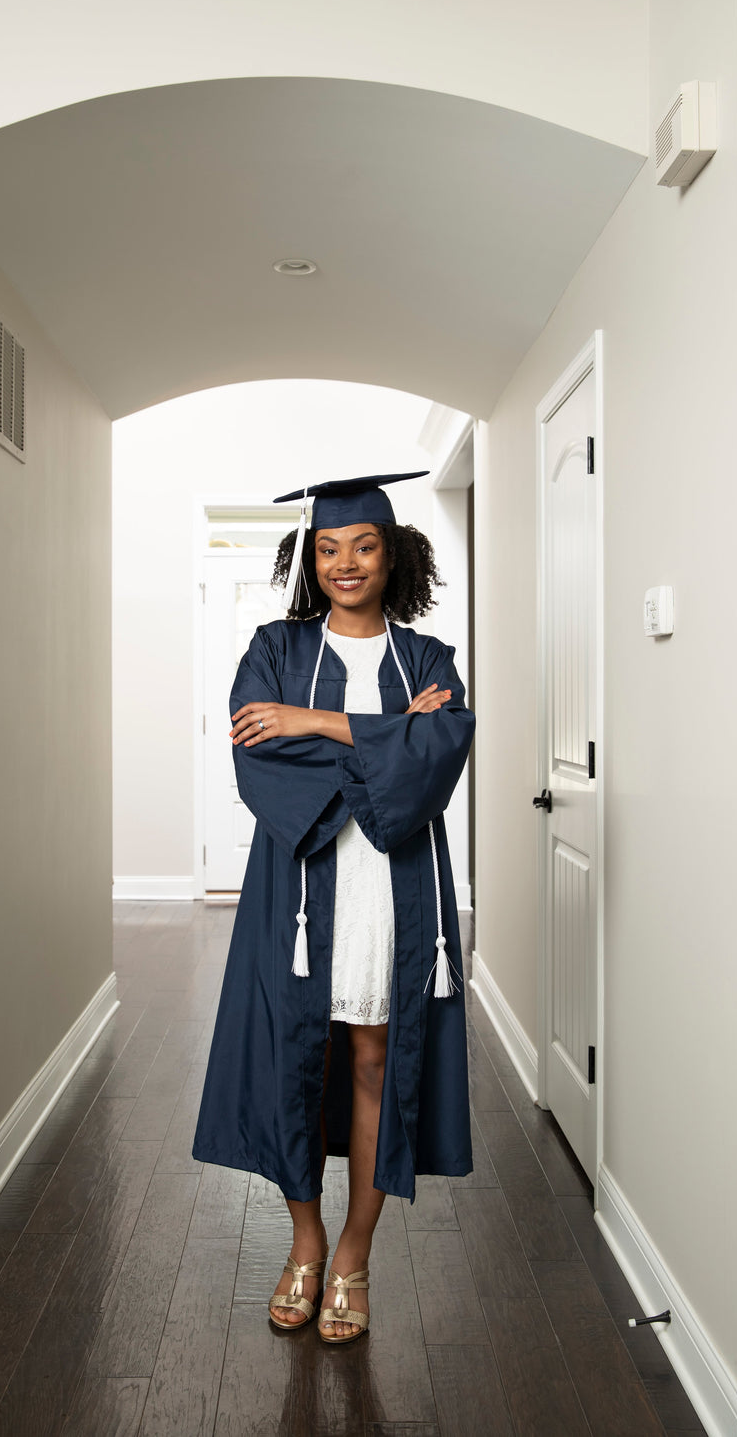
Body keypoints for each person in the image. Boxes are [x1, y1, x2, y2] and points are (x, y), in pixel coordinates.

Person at [192, 472, 475, 1344]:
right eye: (328, 549)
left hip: (397, 892)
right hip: (305, 892)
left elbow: (439, 758)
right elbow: (257, 758)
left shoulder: (427, 660)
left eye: (364, 547)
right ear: (310, 561)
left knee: (372, 1061)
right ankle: (305, 1240)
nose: (345, 563)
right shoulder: (275, 648)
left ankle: (354, 1253)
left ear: (394, 557)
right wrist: (392, 735)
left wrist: (318, 725)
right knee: (294, 1057)